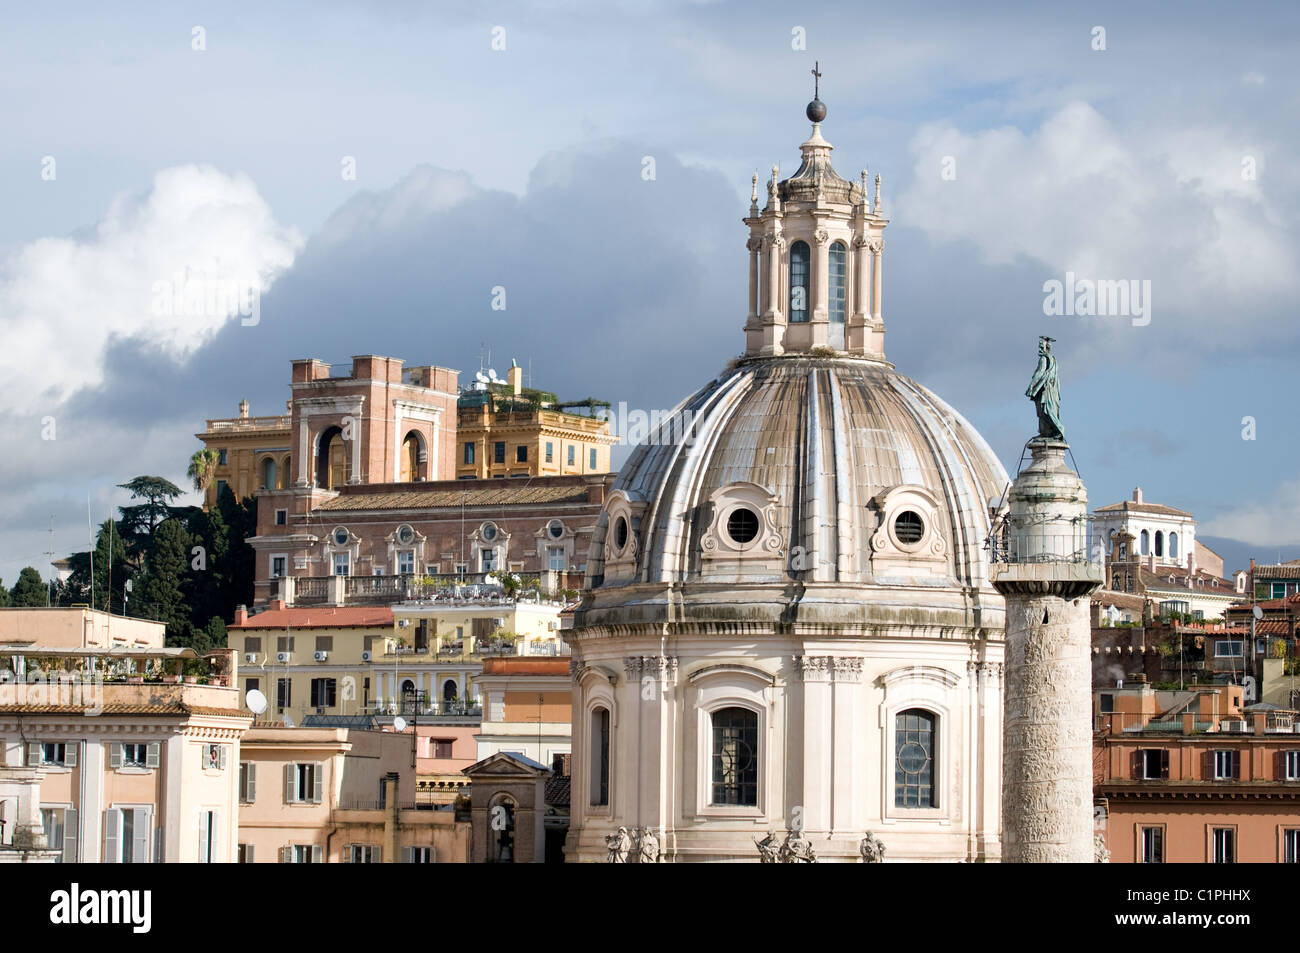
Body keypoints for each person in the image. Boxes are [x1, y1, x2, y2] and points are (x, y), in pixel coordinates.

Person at [1025, 336, 1064, 440]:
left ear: (1047, 348)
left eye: (1042, 346)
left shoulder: (1044, 359)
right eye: (1040, 346)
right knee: (1045, 411)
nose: (1040, 349)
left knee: (1046, 410)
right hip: (1051, 390)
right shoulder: (1053, 360)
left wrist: (1031, 386)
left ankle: (1059, 429)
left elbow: (1040, 372)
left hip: (1046, 391)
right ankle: (1046, 433)